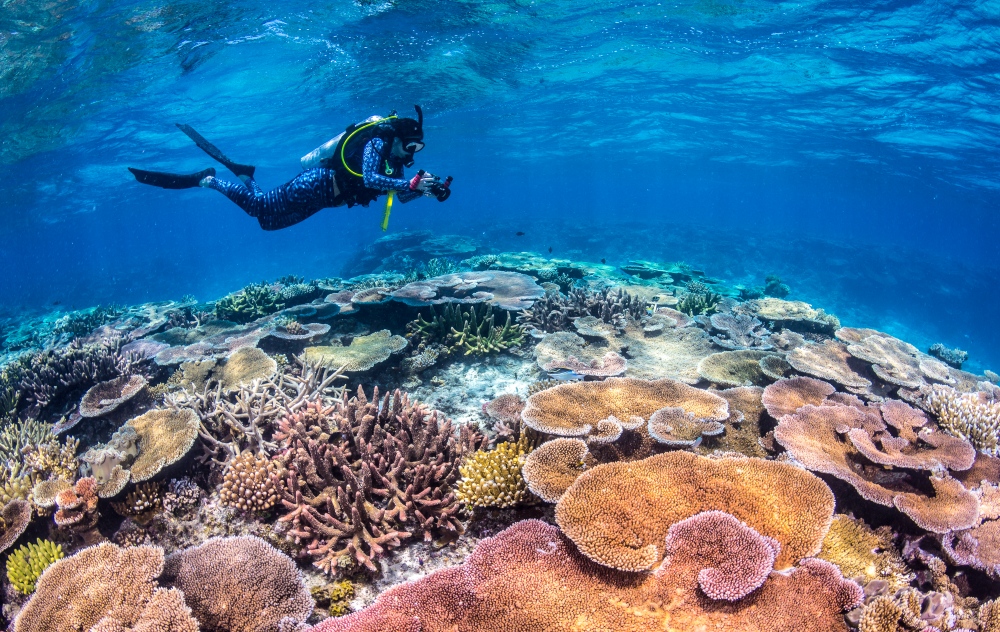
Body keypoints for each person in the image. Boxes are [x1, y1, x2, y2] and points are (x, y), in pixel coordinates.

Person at [128, 106, 450, 231]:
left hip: (325, 200)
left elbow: (399, 195)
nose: (412, 154)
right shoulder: (378, 143)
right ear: (400, 137)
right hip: (317, 184)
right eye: (412, 146)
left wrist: (425, 192)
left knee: (267, 222)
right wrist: (410, 184)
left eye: (417, 149)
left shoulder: (392, 164)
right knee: (258, 208)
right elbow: (368, 178)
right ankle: (209, 179)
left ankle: (245, 174)